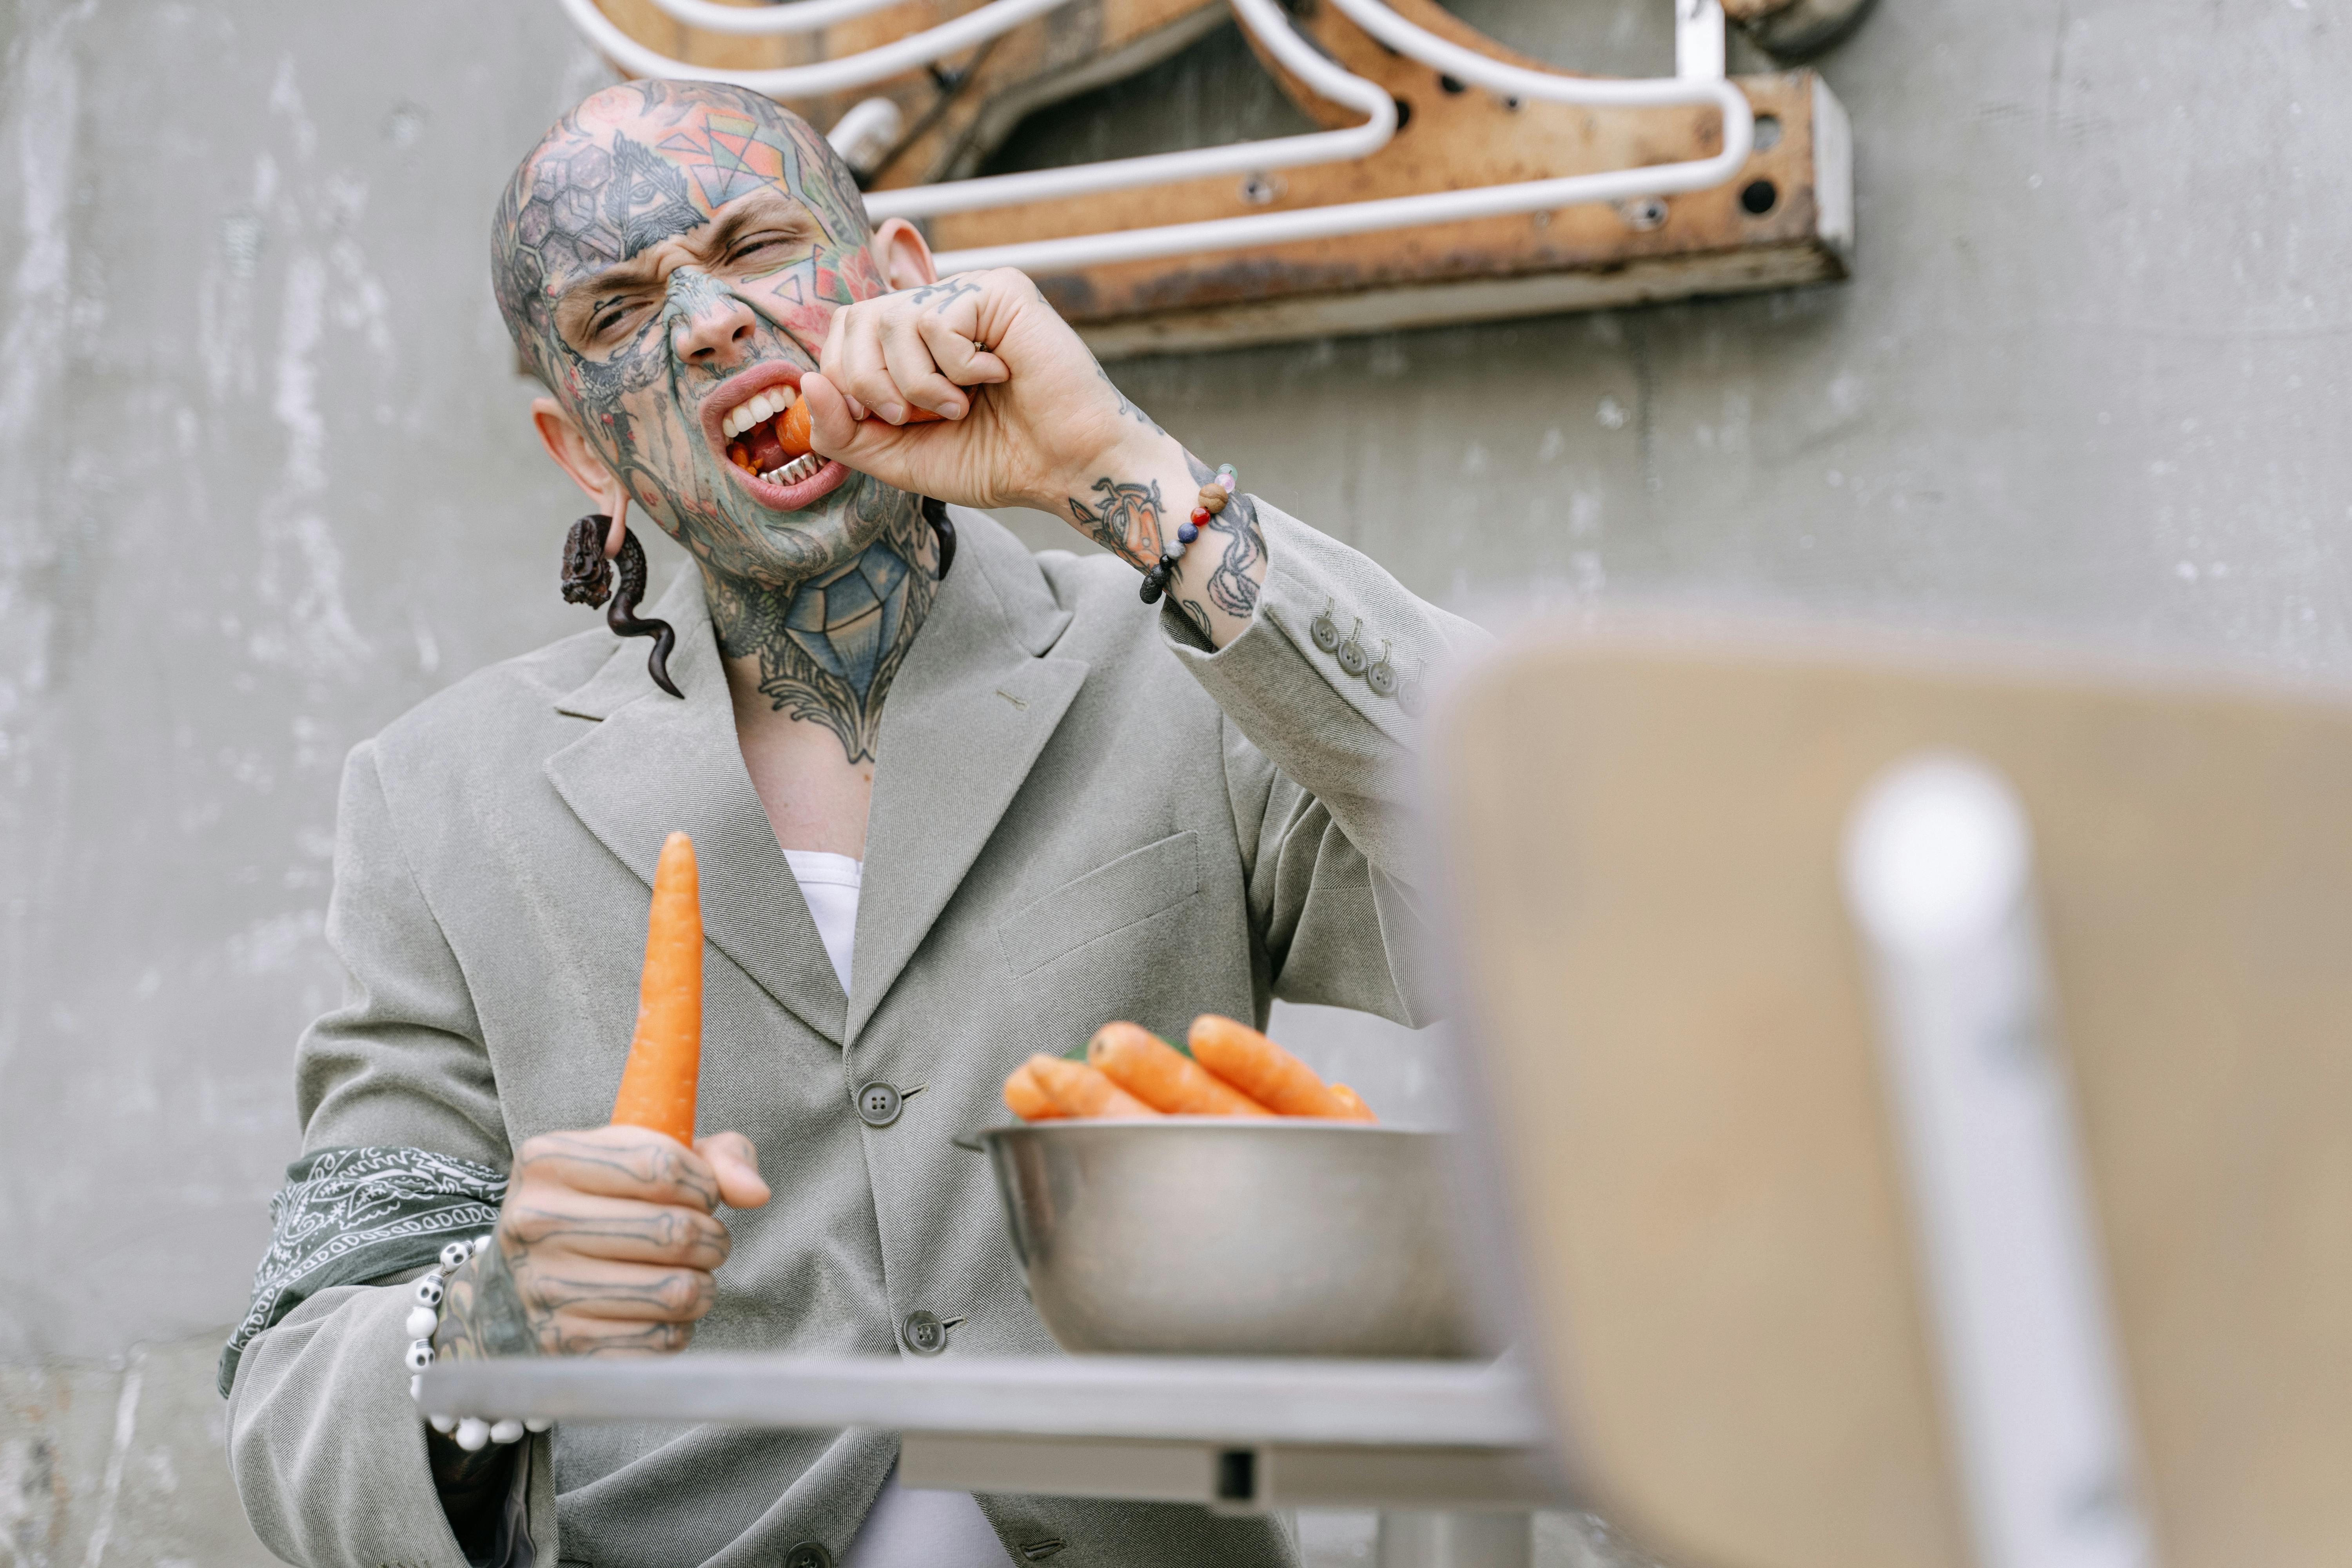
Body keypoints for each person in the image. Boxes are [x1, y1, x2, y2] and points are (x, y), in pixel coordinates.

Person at [223, 78, 1479, 1568]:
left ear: (897, 279)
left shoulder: (1187, 669)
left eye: (755, 246)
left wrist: (1117, 473)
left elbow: (1576, 868)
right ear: (586, 456)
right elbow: (300, 1378)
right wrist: (485, 1317)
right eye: (622, 313)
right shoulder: (440, 801)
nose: (704, 324)